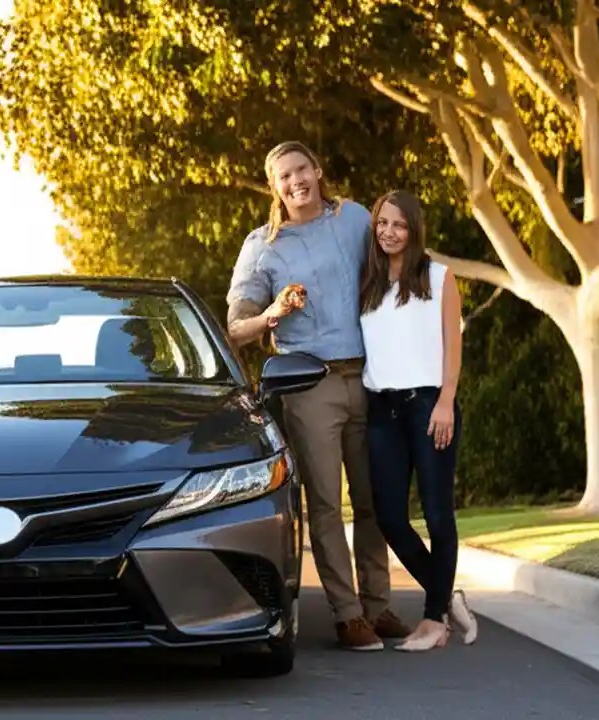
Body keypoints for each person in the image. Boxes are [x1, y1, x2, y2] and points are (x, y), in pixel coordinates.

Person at [227, 141, 409, 651]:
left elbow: (394, 266)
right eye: (283, 176)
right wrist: (271, 316)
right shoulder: (262, 246)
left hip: (371, 378)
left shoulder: (353, 219)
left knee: (374, 501)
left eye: (301, 169)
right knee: (327, 502)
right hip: (310, 384)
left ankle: (379, 606)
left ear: (318, 170)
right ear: (274, 187)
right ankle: (348, 615)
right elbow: (236, 328)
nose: (295, 181)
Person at [358, 189, 478, 651]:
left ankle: (433, 619)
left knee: (436, 512)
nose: (389, 232)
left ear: (414, 230)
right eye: (382, 223)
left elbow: (453, 345)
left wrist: (447, 400)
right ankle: (447, 595)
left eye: (399, 225)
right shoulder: (367, 282)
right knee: (389, 516)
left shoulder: (439, 277)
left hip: (429, 405)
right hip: (382, 409)